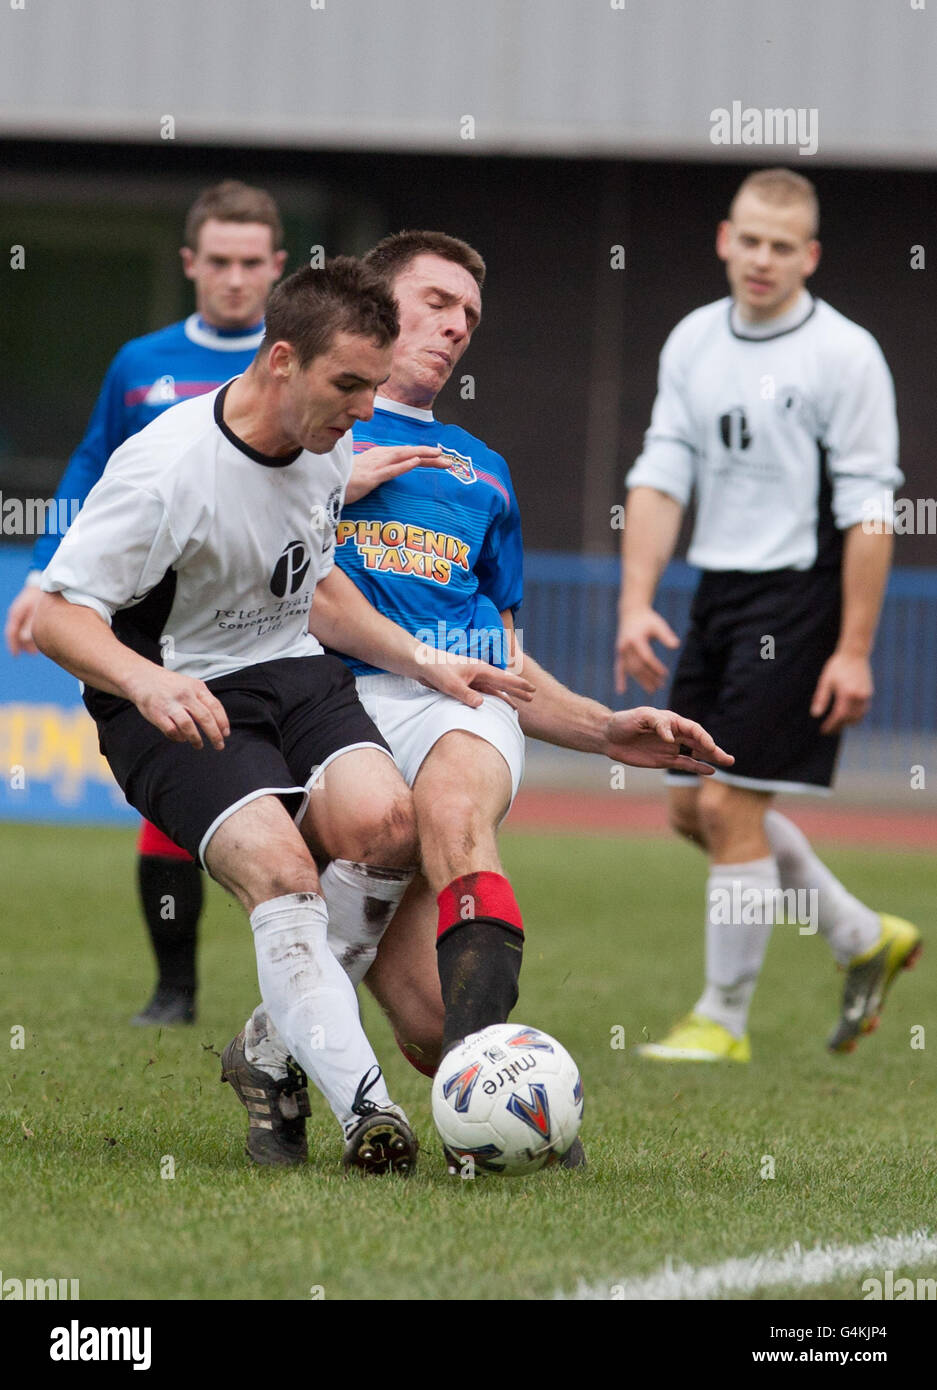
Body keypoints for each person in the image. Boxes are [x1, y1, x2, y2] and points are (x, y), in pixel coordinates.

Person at [234, 230, 733, 1170]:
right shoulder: (302, 430)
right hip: (320, 708)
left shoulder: (484, 472)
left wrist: (601, 728)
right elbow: (283, 587)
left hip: (450, 705)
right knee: (428, 1026)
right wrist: (333, 483)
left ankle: (481, 1099)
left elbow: (495, 660)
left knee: (458, 808)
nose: (456, 326)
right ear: (374, 311)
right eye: (434, 302)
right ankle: (307, 1057)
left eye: (468, 315)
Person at [31, 259, 534, 1175]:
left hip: (290, 669)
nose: (359, 409)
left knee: (390, 825)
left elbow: (312, 566)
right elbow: (56, 616)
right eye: (347, 386)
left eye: (372, 388)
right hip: (171, 692)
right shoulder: (165, 467)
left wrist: (417, 645)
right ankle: (367, 1110)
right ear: (280, 362)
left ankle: (266, 1051)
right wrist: (146, 684)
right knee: (284, 874)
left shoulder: (331, 441)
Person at [614, 168, 921, 1063]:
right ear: (724, 239)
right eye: (748, 239)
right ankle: (861, 935)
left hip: (804, 594)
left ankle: (723, 1018)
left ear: (808, 256)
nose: (761, 258)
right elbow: (661, 473)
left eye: (781, 246)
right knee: (689, 810)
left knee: (728, 803)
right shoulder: (692, 342)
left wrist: (853, 649)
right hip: (719, 592)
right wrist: (637, 601)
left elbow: (872, 509)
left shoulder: (845, 354)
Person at [4, 180, 288, 1027]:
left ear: (277, 267)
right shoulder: (142, 362)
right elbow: (91, 469)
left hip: (269, 608)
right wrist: (41, 574)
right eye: (220, 262)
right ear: (191, 264)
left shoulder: (294, 358)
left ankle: (308, 992)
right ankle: (174, 992)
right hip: (156, 618)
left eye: (252, 263)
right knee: (176, 787)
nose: (236, 279)